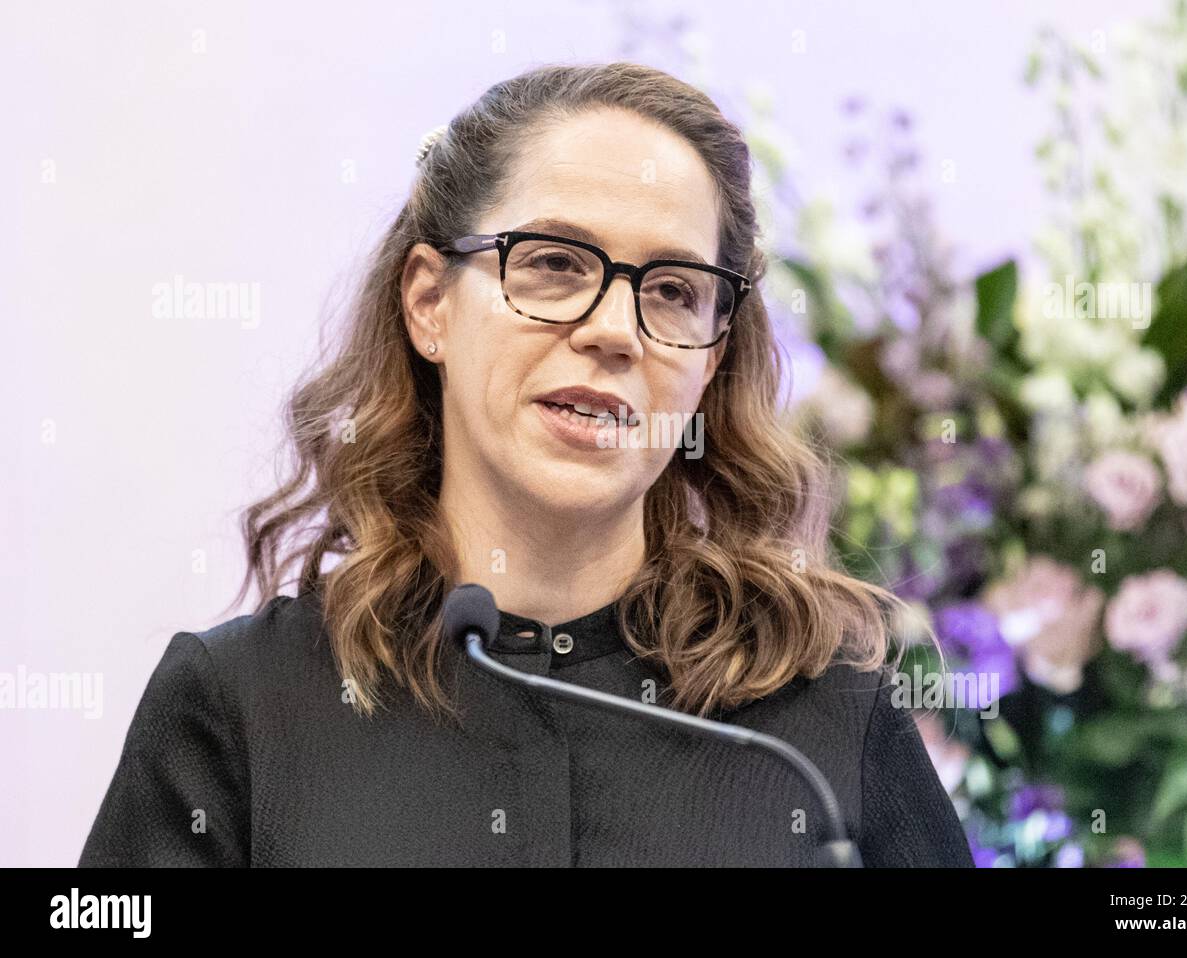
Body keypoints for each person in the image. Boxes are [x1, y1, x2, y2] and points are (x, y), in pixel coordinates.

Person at [79, 61, 974, 867]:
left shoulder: (825, 724)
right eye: (553, 263)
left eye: (672, 291)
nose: (614, 332)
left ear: (710, 358)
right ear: (430, 304)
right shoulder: (242, 707)